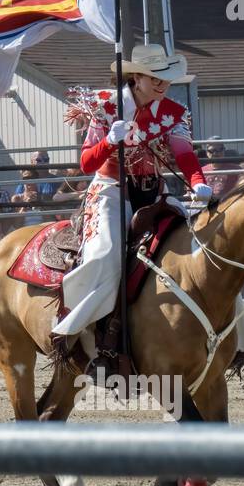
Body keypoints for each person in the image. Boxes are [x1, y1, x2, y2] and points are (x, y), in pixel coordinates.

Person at [56, 45, 215, 372]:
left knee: (204, 248)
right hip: (112, 189)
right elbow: (87, 163)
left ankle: (238, 339)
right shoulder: (106, 106)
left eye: (166, 78)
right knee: (107, 254)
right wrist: (108, 142)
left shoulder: (173, 110)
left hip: (155, 192)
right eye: (155, 77)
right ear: (135, 77)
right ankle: (72, 328)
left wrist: (198, 181)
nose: (163, 84)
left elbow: (184, 155)